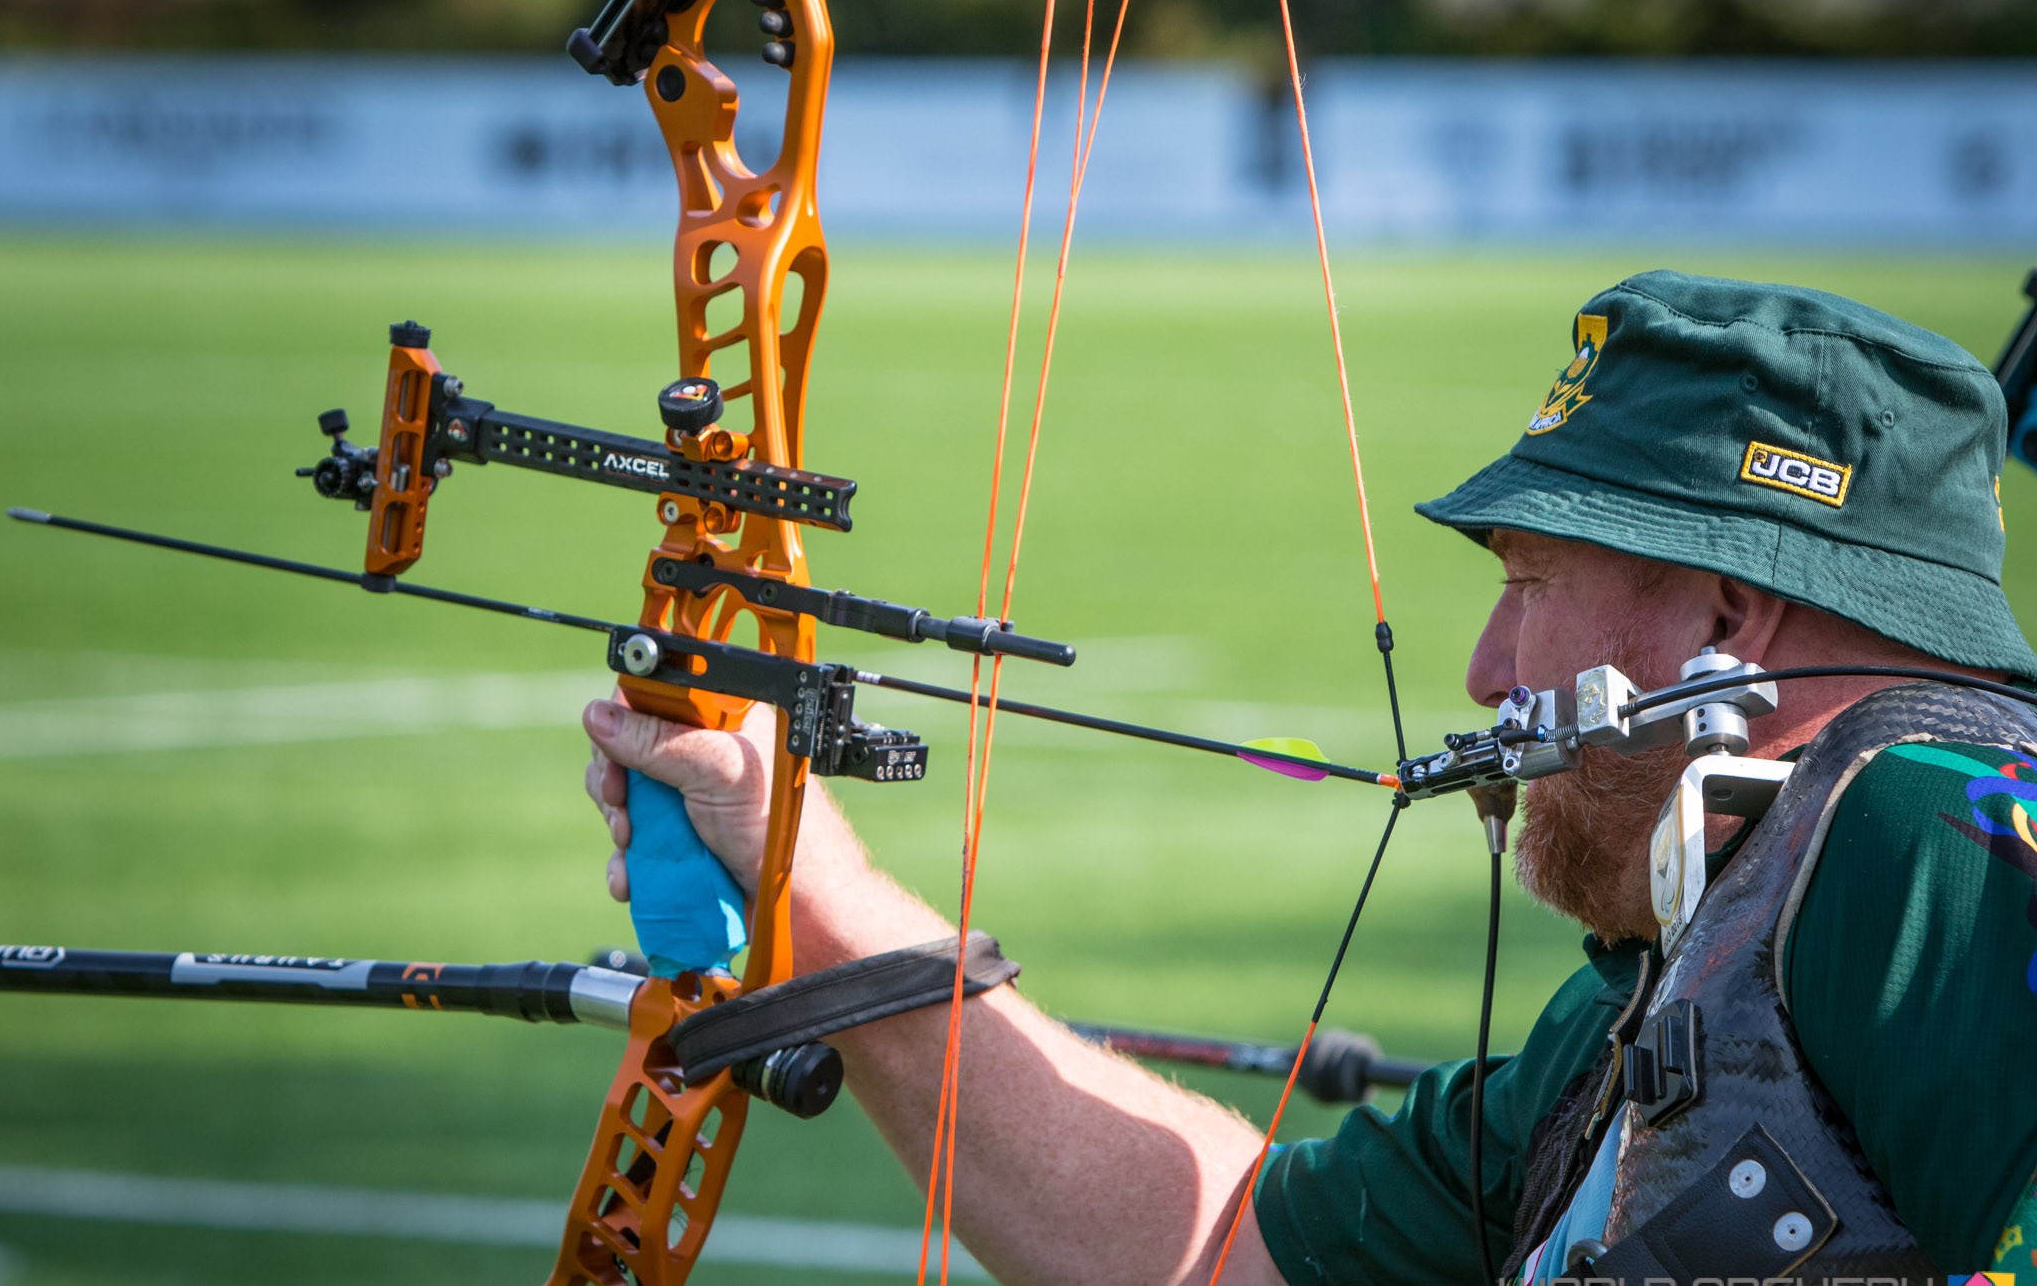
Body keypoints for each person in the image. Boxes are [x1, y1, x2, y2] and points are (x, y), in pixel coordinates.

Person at [582, 270, 2037, 1285]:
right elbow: (1217, 1250)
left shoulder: (1925, 840)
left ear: (1726, 616)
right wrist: (814, 886)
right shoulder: (1679, 967)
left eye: (1531, 584)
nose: (1488, 669)